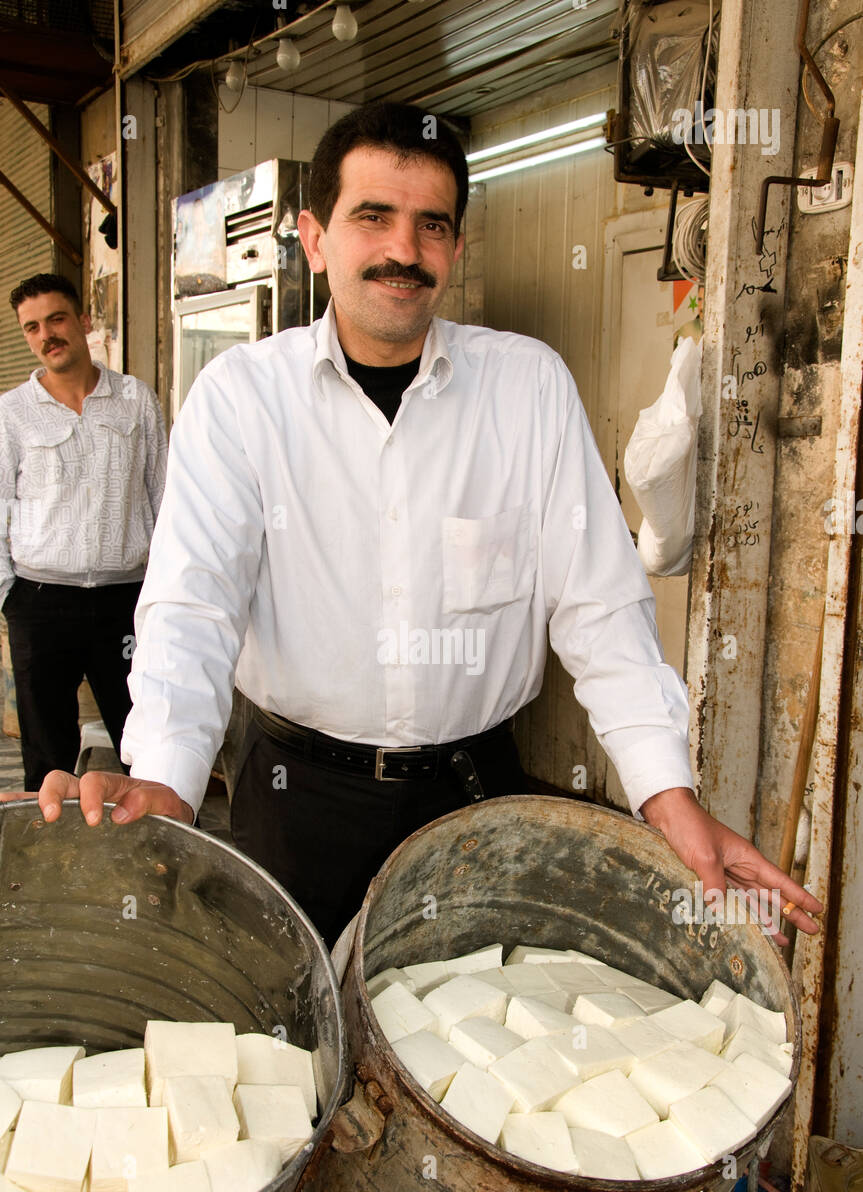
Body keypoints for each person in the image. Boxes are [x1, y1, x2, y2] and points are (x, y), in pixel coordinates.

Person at [4, 105, 821, 950]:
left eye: (432, 224)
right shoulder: (243, 398)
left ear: (456, 247)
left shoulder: (526, 388)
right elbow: (192, 605)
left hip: (475, 799)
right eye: (373, 218)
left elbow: (601, 607)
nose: (404, 249)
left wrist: (667, 795)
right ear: (314, 238)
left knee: (468, 1048)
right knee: (303, 1042)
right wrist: (167, 781)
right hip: (298, 798)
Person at [0, 273, 167, 788]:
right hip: (41, 602)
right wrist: (11, 598)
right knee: (47, 757)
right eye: (32, 327)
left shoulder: (135, 400)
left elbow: (165, 498)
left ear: (84, 321)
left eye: (56, 319)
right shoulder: (11, 413)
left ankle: (154, 856)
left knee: (145, 743)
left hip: (125, 603)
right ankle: (52, 860)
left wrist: (163, 592)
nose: (46, 334)